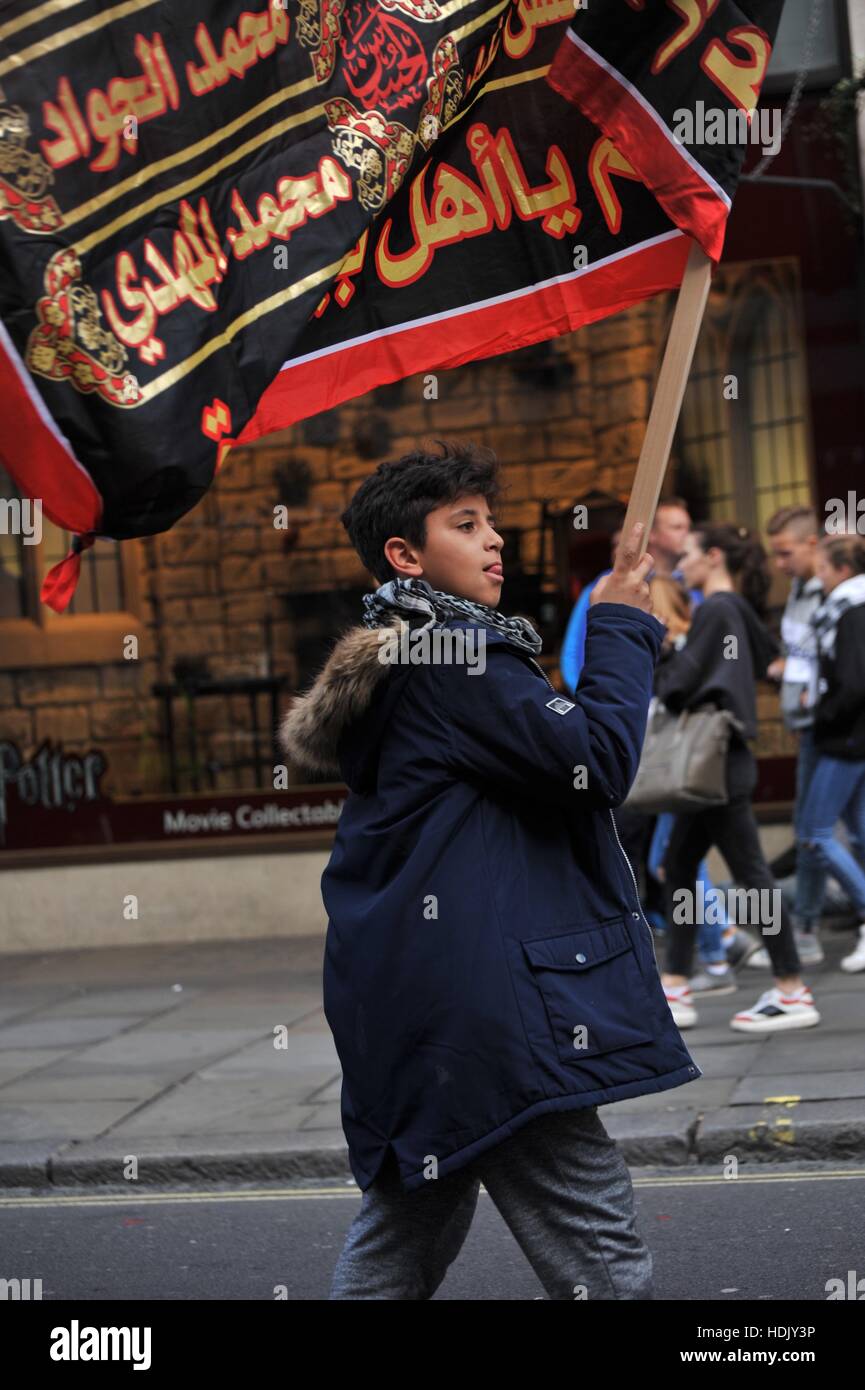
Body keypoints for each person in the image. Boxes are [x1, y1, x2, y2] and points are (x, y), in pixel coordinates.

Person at [280, 440, 701, 1300]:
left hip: (424, 998)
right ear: (405, 556)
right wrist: (620, 625)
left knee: (409, 1228)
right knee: (595, 1242)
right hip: (487, 1009)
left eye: (491, 521)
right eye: (465, 525)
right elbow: (593, 761)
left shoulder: (421, 658)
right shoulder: (455, 657)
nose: (494, 539)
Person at [653, 522, 819, 1033]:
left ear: (714, 557)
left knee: (750, 875)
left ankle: (791, 988)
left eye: (688, 554)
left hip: (715, 764)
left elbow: (679, 685)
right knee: (680, 867)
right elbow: (769, 660)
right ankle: (676, 985)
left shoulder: (715, 610)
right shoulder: (738, 608)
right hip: (723, 760)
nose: (680, 566)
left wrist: (661, 653)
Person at [644, 575, 758, 992]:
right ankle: (713, 955)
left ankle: (724, 945)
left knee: (678, 865)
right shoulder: (690, 641)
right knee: (677, 864)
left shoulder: (681, 646)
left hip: (692, 772)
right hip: (690, 772)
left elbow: (673, 692)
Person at [796, 534, 865, 974]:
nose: (817, 578)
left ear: (842, 570)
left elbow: (855, 683)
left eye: (822, 569)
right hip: (852, 737)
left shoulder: (850, 609)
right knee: (858, 832)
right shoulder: (849, 606)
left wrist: (820, 711)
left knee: (815, 834)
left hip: (845, 739)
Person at [765, 505, 827, 965]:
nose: (779, 563)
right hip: (811, 726)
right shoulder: (800, 590)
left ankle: (805, 929)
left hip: (829, 726)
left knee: (814, 831)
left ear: (812, 544)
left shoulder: (833, 590)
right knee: (820, 831)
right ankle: (806, 927)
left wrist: (798, 674)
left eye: (785, 553)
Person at [560, 499, 694, 695]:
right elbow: (574, 652)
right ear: (652, 534)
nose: (688, 534)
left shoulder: (692, 583)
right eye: (677, 527)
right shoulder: (604, 586)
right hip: (622, 699)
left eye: (689, 527)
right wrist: (590, 698)